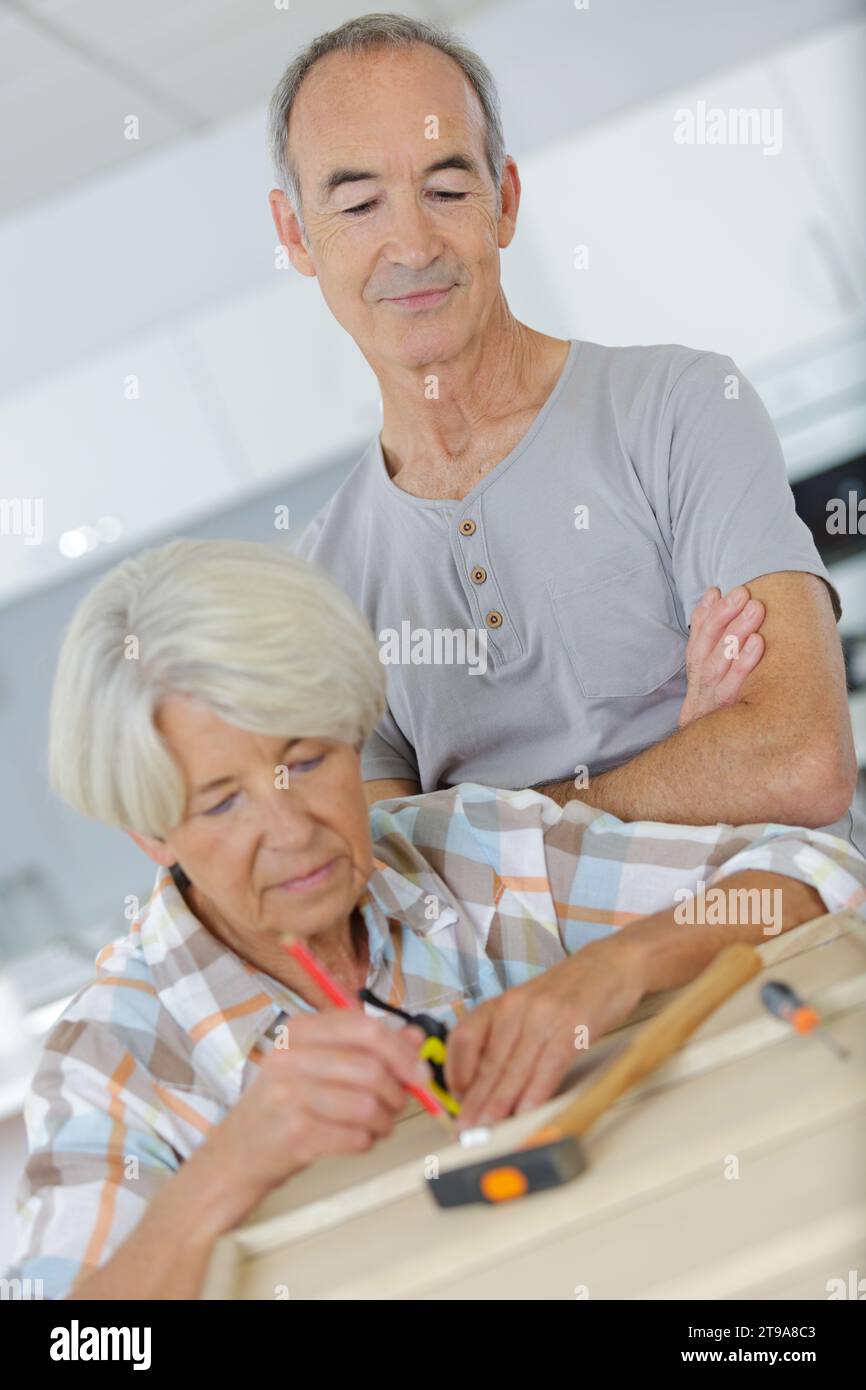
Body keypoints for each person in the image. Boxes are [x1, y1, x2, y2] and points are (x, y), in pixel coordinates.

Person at [7, 539, 866, 1299]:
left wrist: (615, 966)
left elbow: (814, 869)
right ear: (152, 832)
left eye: (306, 759)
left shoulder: (465, 854)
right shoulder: (109, 1060)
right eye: (223, 803)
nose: (292, 829)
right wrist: (229, 1170)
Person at [265, 13, 861, 850]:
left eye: (445, 190)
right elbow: (392, 886)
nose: (411, 244)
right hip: (552, 986)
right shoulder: (321, 593)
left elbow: (799, 760)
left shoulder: (678, 406)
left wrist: (464, 820)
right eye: (360, 204)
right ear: (295, 235)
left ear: (503, 201)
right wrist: (691, 767)